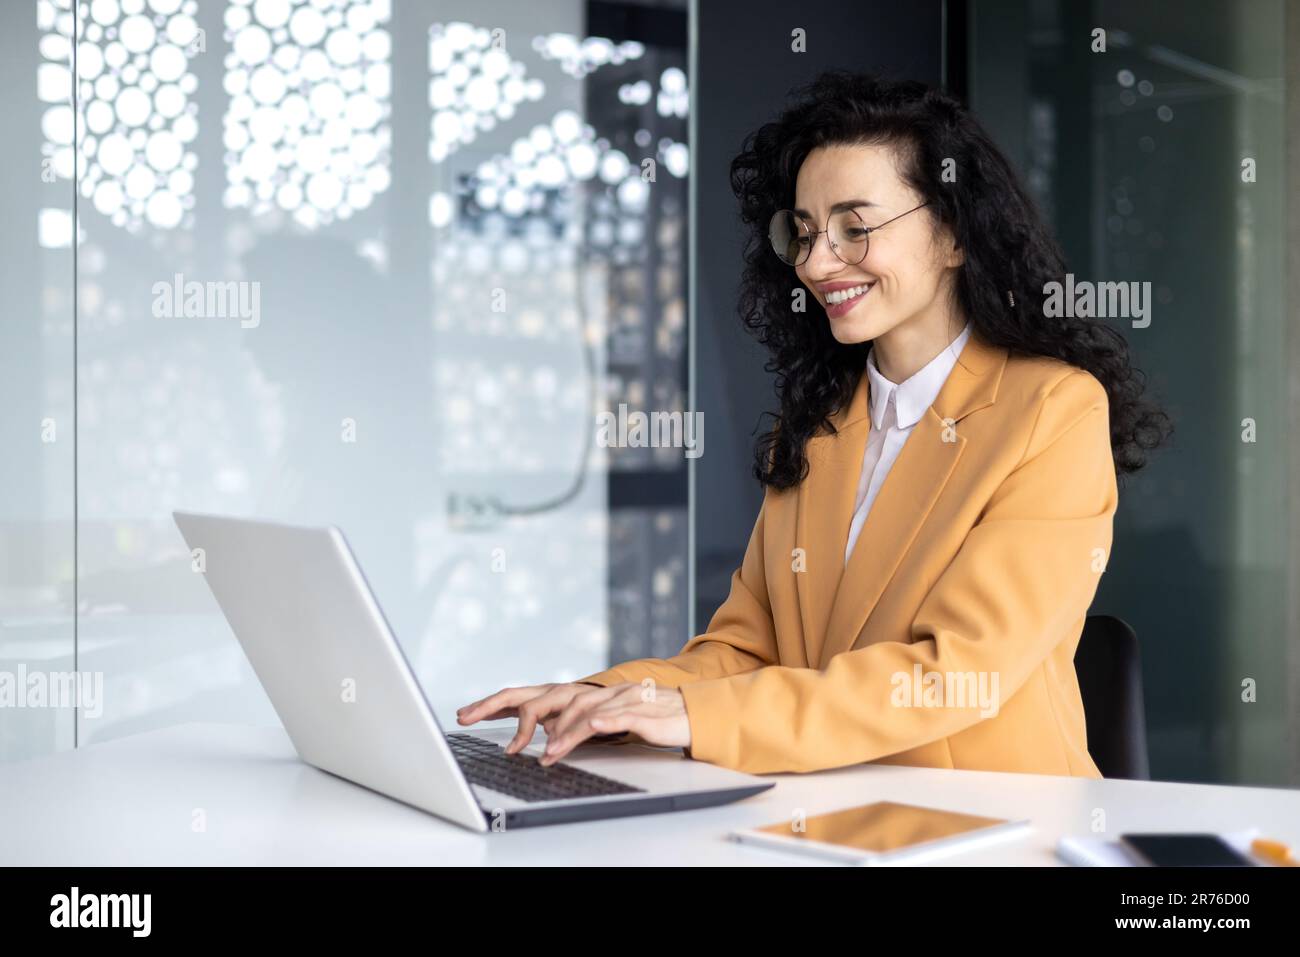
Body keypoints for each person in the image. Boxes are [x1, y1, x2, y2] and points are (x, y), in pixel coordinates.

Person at [458, 71, 1171, 777]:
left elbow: (954, 670)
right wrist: (604, 698)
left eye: (854, 228)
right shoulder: (814, 430)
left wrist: (696, 717)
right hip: (821, 815)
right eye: (802, 233)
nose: (818, 262)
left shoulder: (1053, 410)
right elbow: (745, 652)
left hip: (993, 826)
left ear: (954, 234)